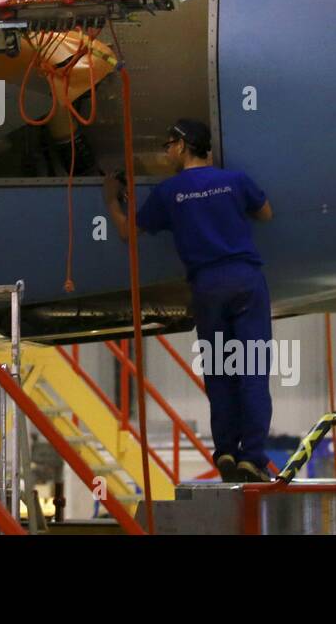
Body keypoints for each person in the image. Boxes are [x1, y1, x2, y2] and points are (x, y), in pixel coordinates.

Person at [103, 118, 275, 483]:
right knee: (252, 372)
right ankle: (252, 458)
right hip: (245, 281)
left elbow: (126, 232)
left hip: (207, 288)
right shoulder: (235, 180)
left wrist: (111, 199)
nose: (166, 152)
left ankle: (226, 452)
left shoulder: (169, 192)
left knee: (219, 374)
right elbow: (265, 213)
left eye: (168, 145)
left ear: (182, 146)